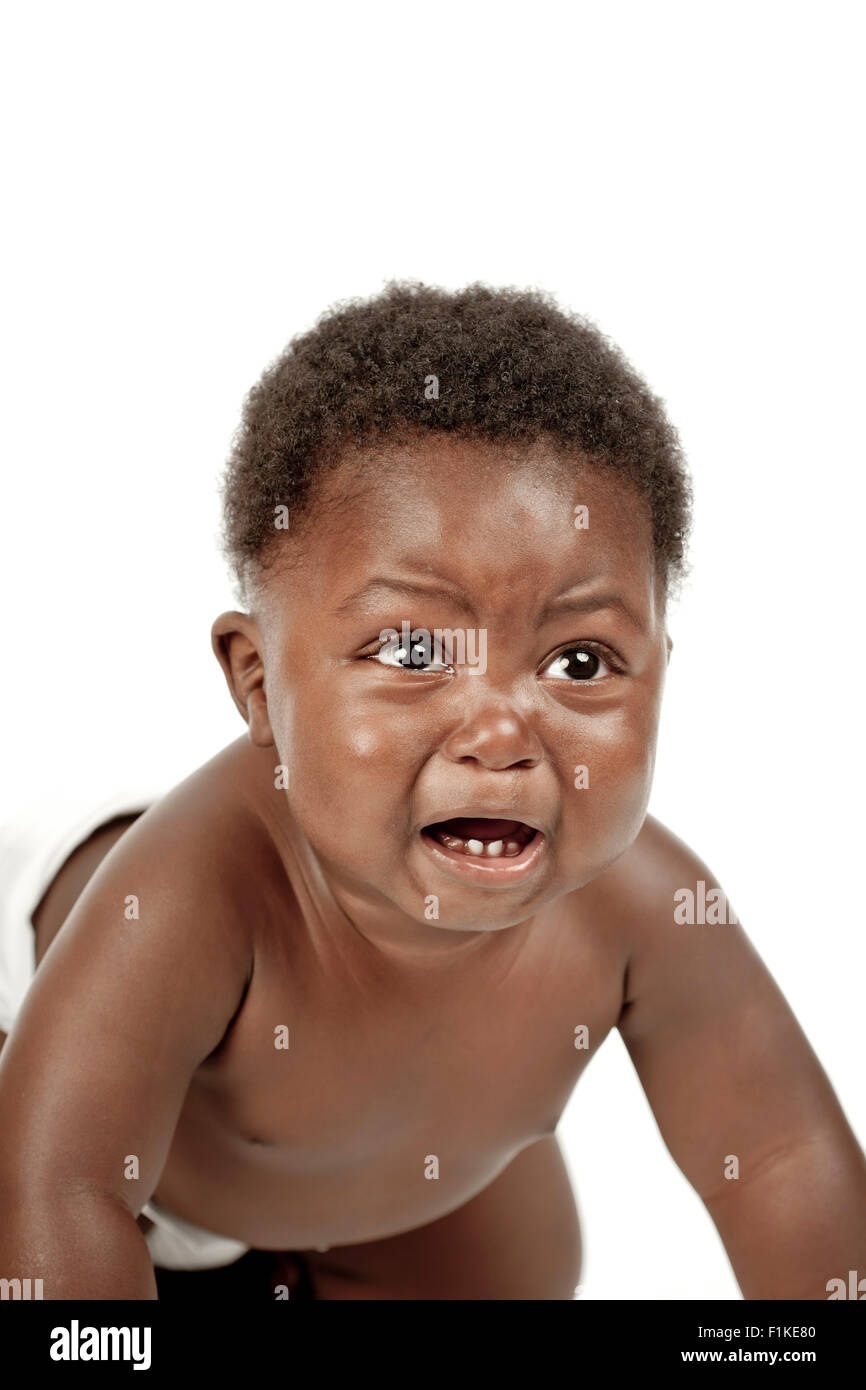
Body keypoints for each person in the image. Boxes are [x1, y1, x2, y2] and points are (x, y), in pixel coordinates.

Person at [1, 281, 863, 1300]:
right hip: (89, 1183)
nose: (500, 733)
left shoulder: (650, 906)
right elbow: (64, 1182)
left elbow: (776, 1158)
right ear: (259, 682)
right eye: (413, 649)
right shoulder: (191, 893)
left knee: (518, 1271)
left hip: (376, 1193)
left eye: (580, 662)